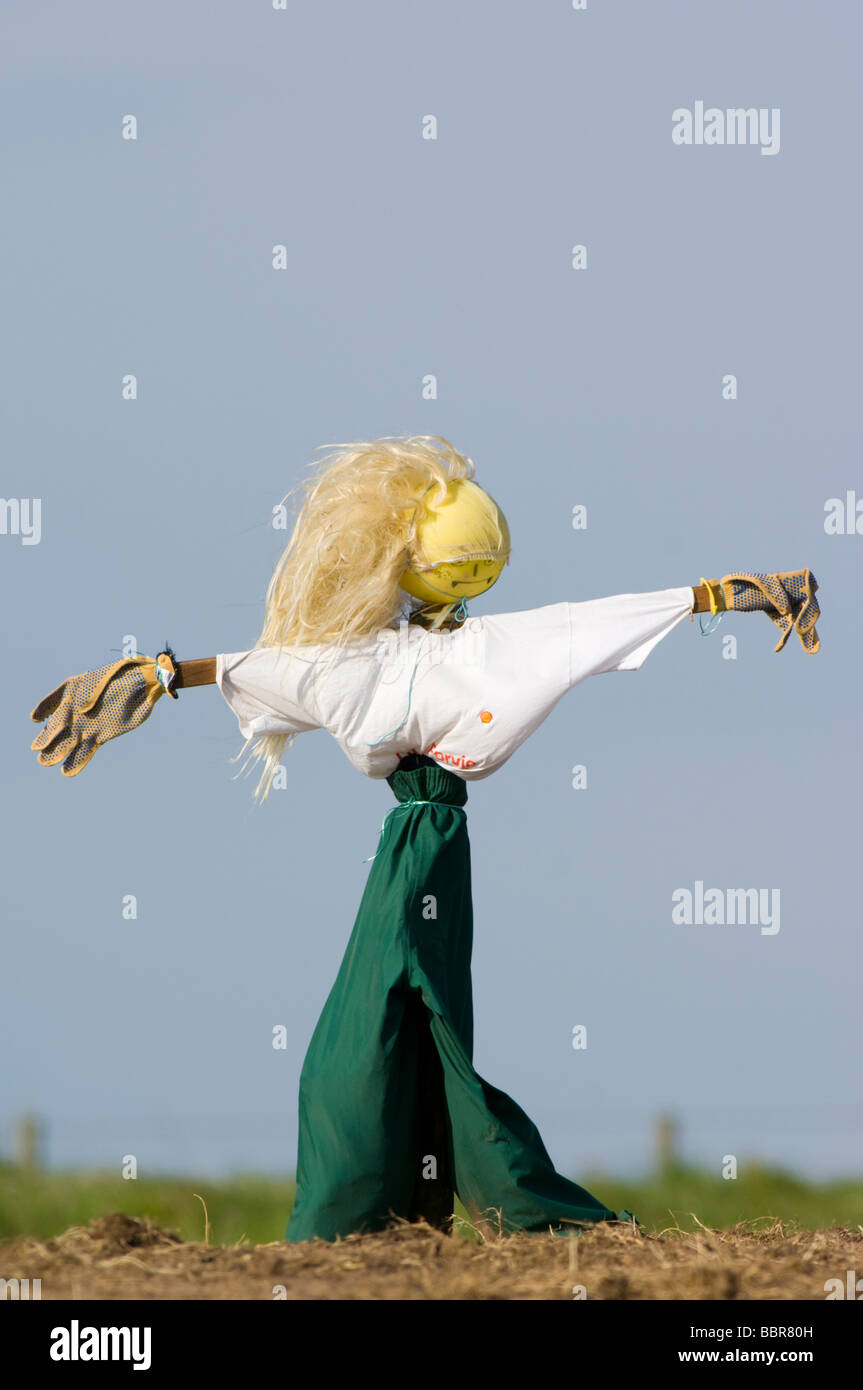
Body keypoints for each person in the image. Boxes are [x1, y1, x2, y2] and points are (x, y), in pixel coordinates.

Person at [29, 435, 821, 1240]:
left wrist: (729, 595)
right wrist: (154, 677)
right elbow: (260, 665)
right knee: (386, 1038)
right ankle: (406, 1213)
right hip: (413, 852)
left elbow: (597, 623)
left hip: (430, 852)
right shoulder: (353, 662)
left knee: (371, 1042)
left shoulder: (497, 652)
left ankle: (414, 1214)